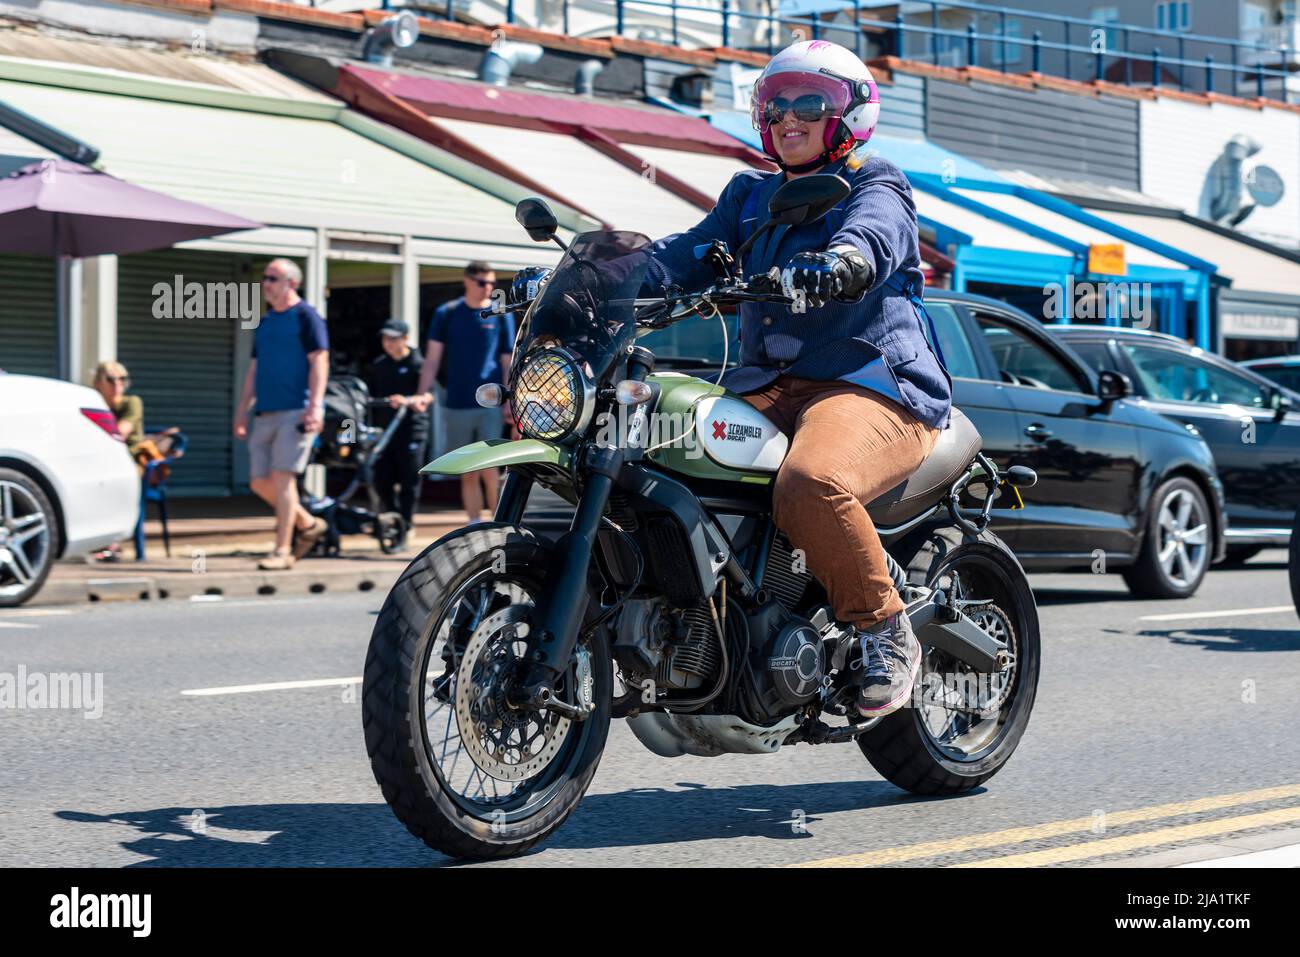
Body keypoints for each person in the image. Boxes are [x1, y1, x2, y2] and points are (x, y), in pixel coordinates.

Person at [646, 40, 952, 717]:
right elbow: (682, 256)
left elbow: (871, 236)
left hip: (870, 384)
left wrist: (839, 260)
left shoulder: (878, 181)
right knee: (654, 449)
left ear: (849, 115)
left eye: (808, 103)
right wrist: (595, 275)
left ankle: (883, 628)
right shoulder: (750, 197)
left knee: (811, 482)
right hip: (770, 385)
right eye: (774, 103)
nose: (787, 116)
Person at [233, 258, 329, 571]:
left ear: (292, 283)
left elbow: (319, 361)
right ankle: (309, 523)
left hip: (296, 411)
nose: (266, 283)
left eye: (272, 278)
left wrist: (315, 405)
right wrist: (241, 411)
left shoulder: (307, 317)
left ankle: (282, 550)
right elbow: (253, 370)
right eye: (265, 277)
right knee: (259, 482)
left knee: (282, 479)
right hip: (264, 412)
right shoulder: (265, 322)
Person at [411, 261, 515, 525]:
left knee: (491, 467)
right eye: (482, 282)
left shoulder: (500, 313)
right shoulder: (447, 313)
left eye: (492, 283)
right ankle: (473, 524)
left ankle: (497, 522)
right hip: (456, 402)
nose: (488, 288)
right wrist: (423, 393)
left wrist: (509, 399)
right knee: (467, 469)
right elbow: (432, 359)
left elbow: (507, 360)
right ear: (467, 281)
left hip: (491, 401)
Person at [366, 319, 429, 540]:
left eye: (393, 338)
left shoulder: (419, 363)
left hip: (412, 430)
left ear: (405, 338)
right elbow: (370, 397)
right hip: (384, 432)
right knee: (382, 478)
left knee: (409, 480)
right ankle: (392, 520)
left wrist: (408, 400)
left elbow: (428, 395)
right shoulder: (378, 366)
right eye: (385, 338)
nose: (388, 343)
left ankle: (406, 524)